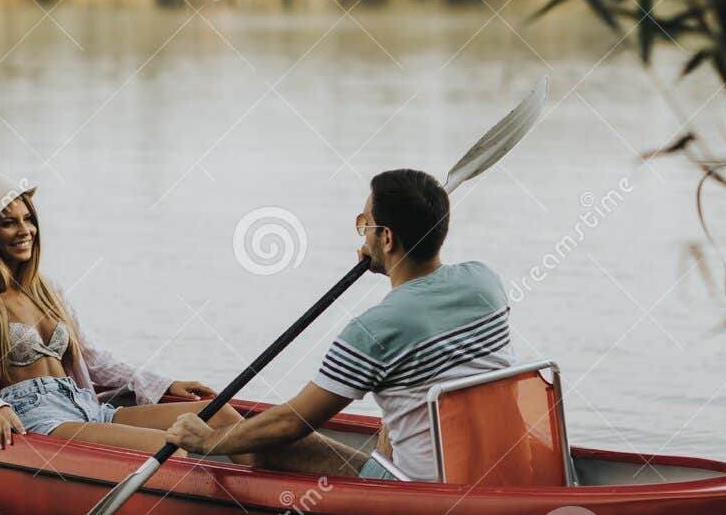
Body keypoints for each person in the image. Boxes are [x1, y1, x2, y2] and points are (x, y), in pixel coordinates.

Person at [166, 168, 514, 482]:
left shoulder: (373, 329)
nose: (362, 236)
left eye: (366, 226)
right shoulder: (485, 281)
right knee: (389, 425)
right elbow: (429, 320)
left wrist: (209, 440)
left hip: (423, 493)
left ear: (388, 238)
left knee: (259, 442)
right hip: (503, 467)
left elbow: (293, 422)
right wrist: (387, 264)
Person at [0, 171, 253, 457]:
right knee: (169, 448)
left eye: (28, 219)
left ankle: (267, 488)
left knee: (220, 414)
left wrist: (163, 383)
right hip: (35, 417)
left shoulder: (48, 289)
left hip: (84, 405)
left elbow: (91, 359)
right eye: (9, 223)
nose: (26, 231)